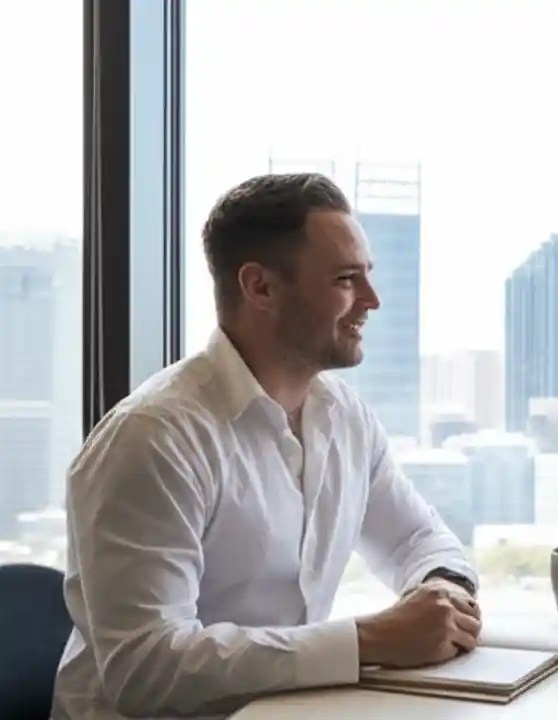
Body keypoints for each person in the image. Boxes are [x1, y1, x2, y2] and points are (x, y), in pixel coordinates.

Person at [53, 174, 482, 720]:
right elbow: (146, 668)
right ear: (260, 288)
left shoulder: (345, 418)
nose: (372, 301)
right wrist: (368, 640)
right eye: (347, 280)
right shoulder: (154, 437)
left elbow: (417, 539)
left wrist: (442, 596)